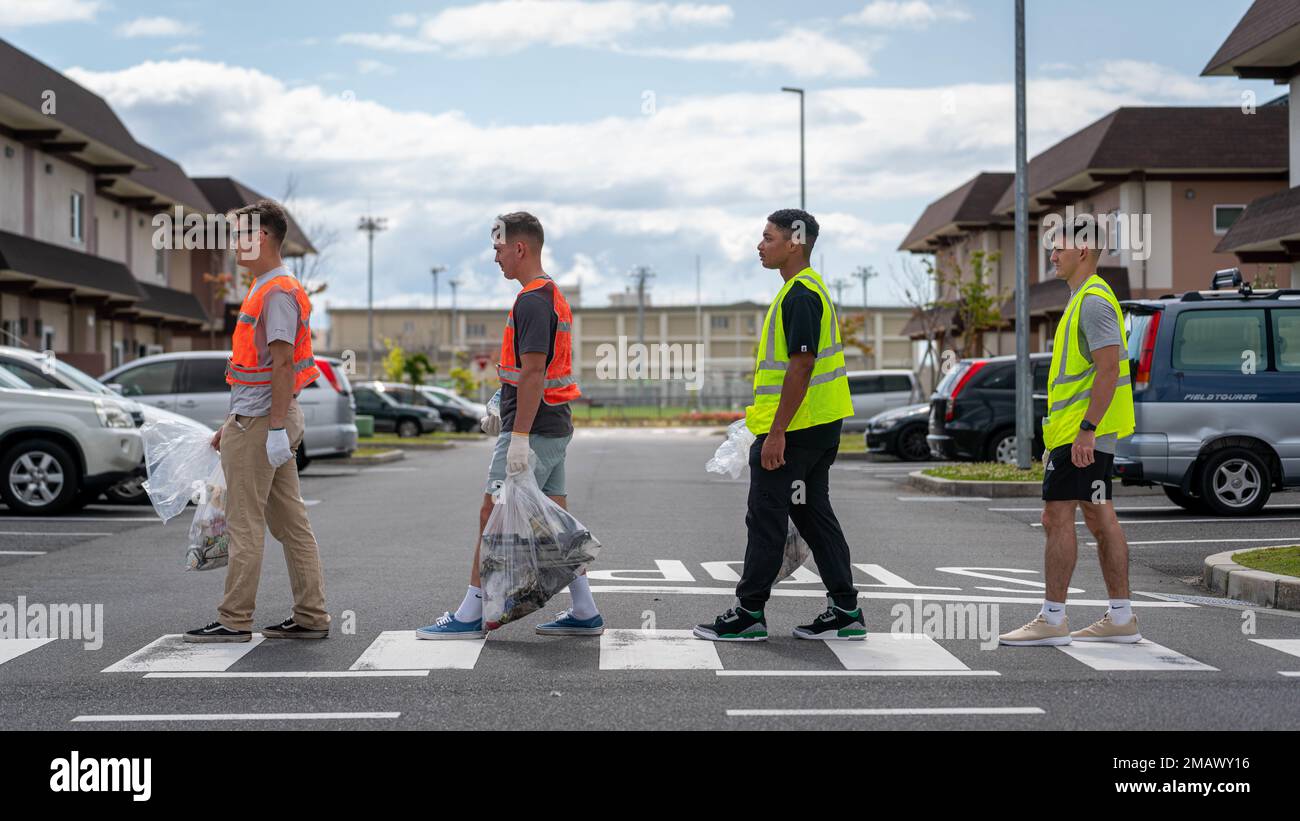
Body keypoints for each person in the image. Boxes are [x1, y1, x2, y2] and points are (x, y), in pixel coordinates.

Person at [417, 211, 602, 639]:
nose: (495, 257)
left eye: (499, 248)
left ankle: (471, 613)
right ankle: (584, 609)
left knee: (492, 514)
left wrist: (517, 437)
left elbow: (535, 372)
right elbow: (528, 372)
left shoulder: (532, 301)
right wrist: (502, 400)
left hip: (533, 431)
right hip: (551, 424)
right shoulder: (548, 294)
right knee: (552, 521)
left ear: (520, 248)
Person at [695, 209, 864, 642]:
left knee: (765, 520)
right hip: (817, 428)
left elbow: (802, 367)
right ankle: (845, 611)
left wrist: (776, 434)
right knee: (813, 517)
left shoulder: (801, 295)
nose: (760, 245)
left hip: (795, 434)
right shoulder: (806, 290)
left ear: (795, 242)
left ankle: (749, 613)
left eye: (768, 237)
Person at [185, 199, 330, 643]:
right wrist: (234, 422)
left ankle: (234, 620)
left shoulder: (277, 292)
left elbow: (284, 366)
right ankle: (311, 616)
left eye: (239, 234)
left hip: (264, 423)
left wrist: (268, 428)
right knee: (291, 524)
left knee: (244, 524)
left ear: (261, 237)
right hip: (260, 421)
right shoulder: (267, 287)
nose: (233, 245)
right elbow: (265, 368)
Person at [999, 214, 1139, 647]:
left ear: (1082, 250)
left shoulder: (1093, 300)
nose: (1052, 256)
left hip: (1084, 436)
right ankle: (1120, 618)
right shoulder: (1085, 298)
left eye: (1057, 248)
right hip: (1082, 435)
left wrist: (1086, 430)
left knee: (1057, 516)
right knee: (1098, 517)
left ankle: (1053, 619)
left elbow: (1108, 369)